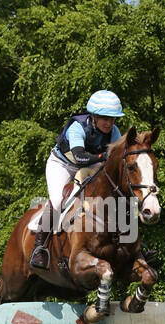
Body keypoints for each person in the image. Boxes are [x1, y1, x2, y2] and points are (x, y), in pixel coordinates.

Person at [28, 90, 124, 270]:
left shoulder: (114, 132)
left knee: (112, 196)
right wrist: (105, 156)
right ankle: (39, 249)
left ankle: (131, 246)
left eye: (112, 119)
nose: (109, 123)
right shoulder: (77, 127)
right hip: (63, 165)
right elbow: (79, 157)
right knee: (57, 202)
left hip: (90, 166)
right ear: (93, 116)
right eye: (105, 118)